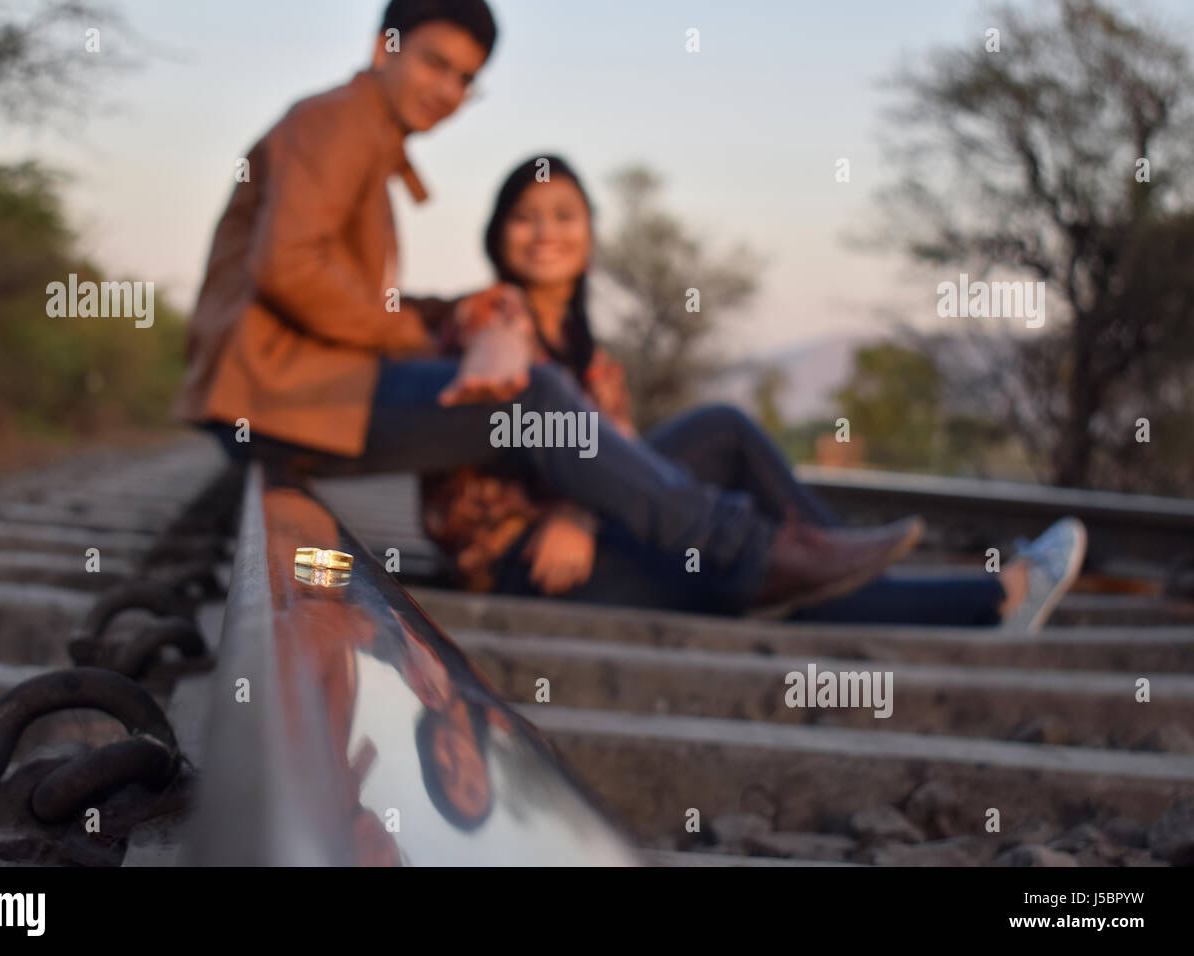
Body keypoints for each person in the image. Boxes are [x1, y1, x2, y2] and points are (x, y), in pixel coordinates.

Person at [176, 0, 927, 617]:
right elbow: (291, 268)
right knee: (532, 394)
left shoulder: (366, 141)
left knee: (675, 423)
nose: (448, 91)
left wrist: (445, 313)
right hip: (288, 397)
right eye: (435, 63)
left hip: (299, 396)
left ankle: (847, 574)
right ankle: (748, 549)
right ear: (385, 48)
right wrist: (425, 330)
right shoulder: (340, 118)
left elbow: (337, 284)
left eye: (466, 78)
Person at [418, 155, 1088, 630]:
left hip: (588, 538)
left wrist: (581, 515)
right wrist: (559, 517)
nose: (545, 233)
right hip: (521, 561)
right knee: (749, 578)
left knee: (724, 430)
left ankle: (831, 561)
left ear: (590, 235)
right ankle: (998, 597)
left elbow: (617, 472)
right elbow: (492, 338)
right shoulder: (488, 310)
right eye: (525, 217)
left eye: (563, 215)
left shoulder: (600, 367)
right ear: (498, 235)